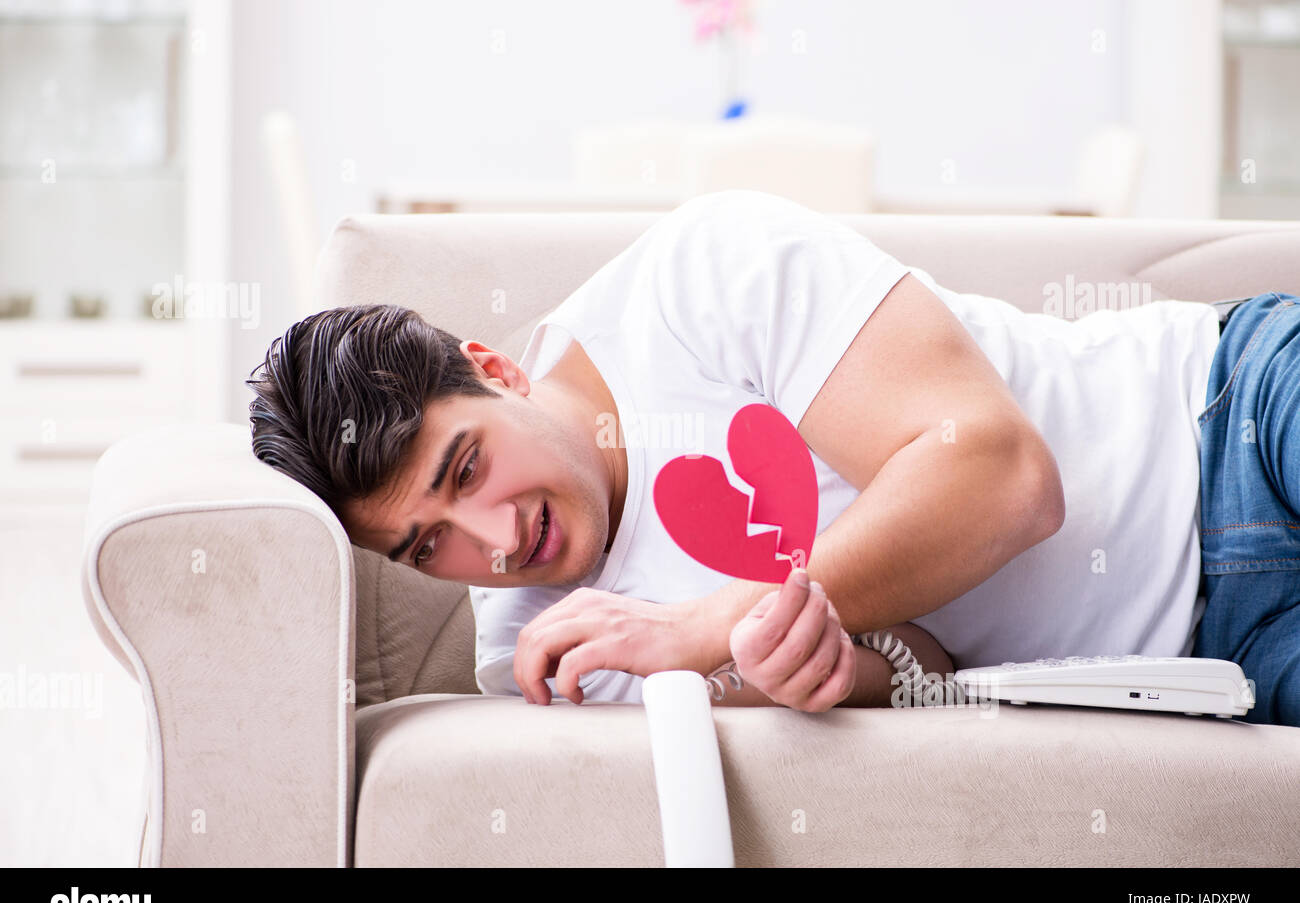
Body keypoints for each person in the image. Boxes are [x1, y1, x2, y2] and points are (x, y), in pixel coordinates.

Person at [245, 188, 1296, 726]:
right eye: (428, 548)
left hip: (1223, 409)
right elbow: (929, 667)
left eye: (464, 470)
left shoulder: (698, 277)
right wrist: (832, 671)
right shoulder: (553, 658)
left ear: (494, 369)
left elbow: (1003, 478)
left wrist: (707, 624)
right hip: (1214, 657)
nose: (495, 543)